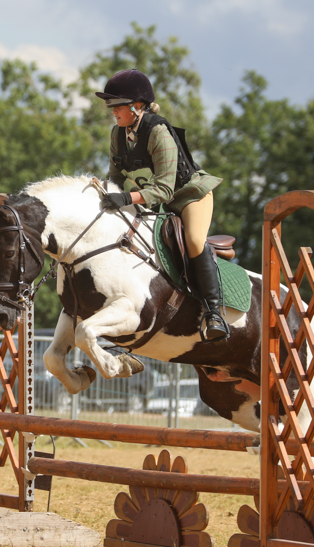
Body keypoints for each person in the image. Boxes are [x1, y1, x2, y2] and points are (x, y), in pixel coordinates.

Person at [95, 69, 228, 342]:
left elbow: (166, 189)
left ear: (138, 106)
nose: (113, 111)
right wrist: (107, 194)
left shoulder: (158, 132)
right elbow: (116, 179)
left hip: (190, 195)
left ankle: (214, 312)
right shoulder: (117, 135)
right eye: (111, 106)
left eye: (118, 106)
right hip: (155, 204)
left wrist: (127, 198)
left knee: (192, 240)